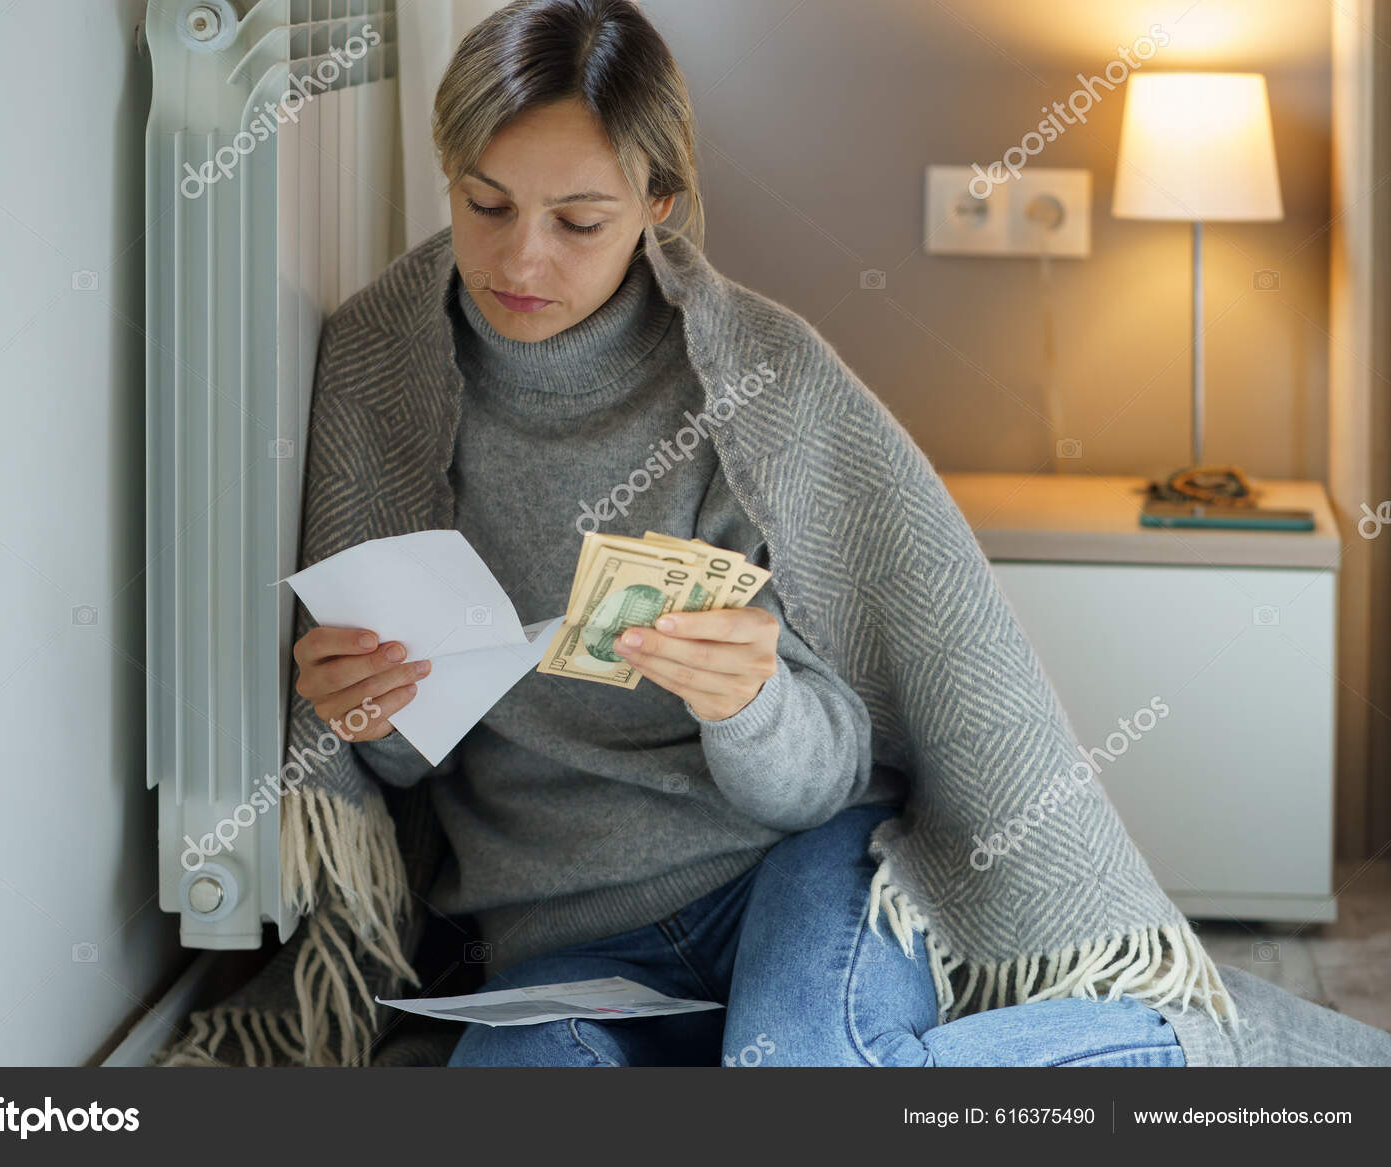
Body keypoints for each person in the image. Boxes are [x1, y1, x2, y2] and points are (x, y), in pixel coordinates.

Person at [290, 0, 1390, 1067]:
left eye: (579, 221)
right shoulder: (377, 371)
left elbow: (828, 775)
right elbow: (395, 764)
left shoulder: (761, 385)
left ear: (659, 204)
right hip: (548, 936)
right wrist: (367, 712)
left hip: (788, 873)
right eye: (485, 205)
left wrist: (753, 705)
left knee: (800, 1067)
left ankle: (1204, 1046)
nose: (522, 261)